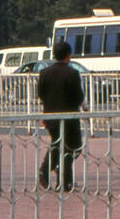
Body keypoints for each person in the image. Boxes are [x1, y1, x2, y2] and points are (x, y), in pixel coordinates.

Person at [37, 41, 86, 191]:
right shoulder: (72, 73)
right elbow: (78, 97)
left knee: (58, 144)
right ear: (68, 55)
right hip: (69, 117)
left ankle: (57, 176)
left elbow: (40, 94)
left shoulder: (44, 73)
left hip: (51, 116)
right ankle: (55, 174)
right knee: (74, 147)